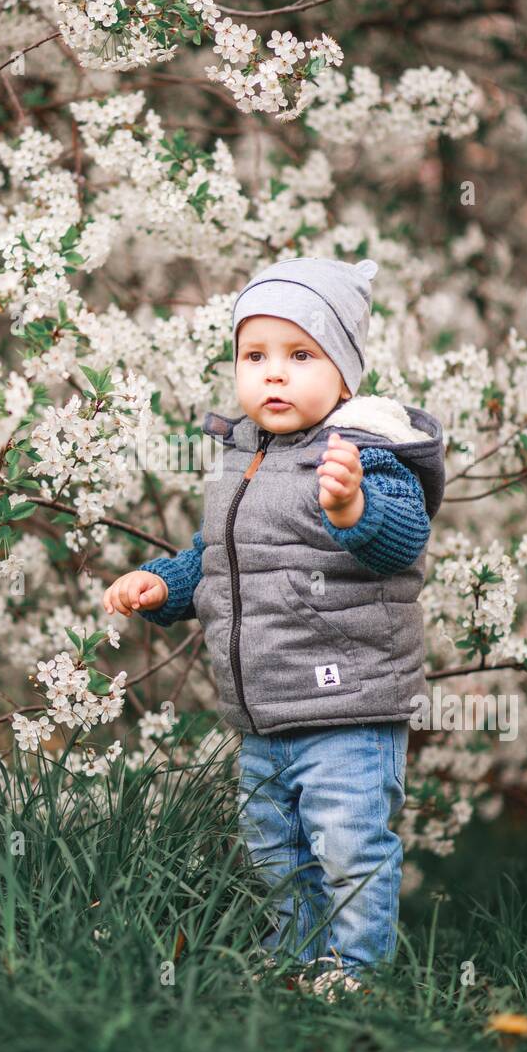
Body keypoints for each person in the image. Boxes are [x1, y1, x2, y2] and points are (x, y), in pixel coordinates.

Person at [102, 256, 445, 999]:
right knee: (276, 848)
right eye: (255, 356)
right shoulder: (241, 458)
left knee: (348, 844)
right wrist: (166, 583)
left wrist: (354, 509)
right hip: (262, 710)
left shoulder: (362, 448)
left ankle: (357, 974)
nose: (274, 376)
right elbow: (221, 558)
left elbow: (402, 538)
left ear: (345, 376)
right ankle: (294, 958)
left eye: (300, 356)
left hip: (346, 703)